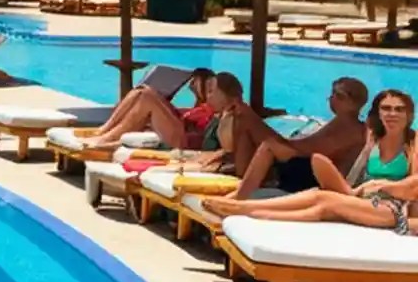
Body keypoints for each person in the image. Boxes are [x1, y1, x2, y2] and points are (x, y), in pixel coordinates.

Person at [204, 90, 417, 234]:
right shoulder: (374, 140)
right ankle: (244, 207)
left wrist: (384, 186)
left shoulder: (413, 143)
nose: (392, 114)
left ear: (409, 115)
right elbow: (356, 173)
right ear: (378, 113)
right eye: (386, 109)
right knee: (317, 197)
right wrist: (353, 189)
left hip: (393, 208)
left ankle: (244, 211)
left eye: (399, 110)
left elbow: (415, 186)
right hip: (364, 199)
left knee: (325, 202)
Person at [227, 77, 369, 199]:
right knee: (246, 121)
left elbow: (307, 150)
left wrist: (272, 137)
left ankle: (239, 198)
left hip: (317, 178)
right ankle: (240, 186)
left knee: (267, 144)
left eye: (337, 95)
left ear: (350, 102)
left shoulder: (348, 127)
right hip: (310, 168)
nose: (331, 98)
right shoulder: (344, 123)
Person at [80, 68, 217, 149]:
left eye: (197, 83)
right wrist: (164, 102)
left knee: (147, 96)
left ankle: (106, 139)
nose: (192, 85)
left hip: (184, 141)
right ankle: (103, 130)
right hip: (179, 132)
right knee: (140, 91)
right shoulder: (201, 106)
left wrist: (163, 105)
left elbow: (187, 121)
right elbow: (184, 116)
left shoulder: (213, 109)